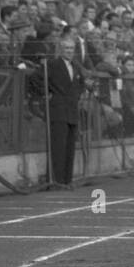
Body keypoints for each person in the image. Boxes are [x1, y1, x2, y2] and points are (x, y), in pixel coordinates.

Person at [44, 34, 85, 189]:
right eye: (66, 48)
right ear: (60, 50)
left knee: (69, 147)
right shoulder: (52, 64)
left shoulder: (75, 66)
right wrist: (47, 93)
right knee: (58, 147)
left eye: (71, 48)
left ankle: (67, 180)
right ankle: (56, 181)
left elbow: (80, 84)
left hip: (72, 110)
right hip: (58, 109)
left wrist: (77, 94)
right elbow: (36, 79)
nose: (69, 51)